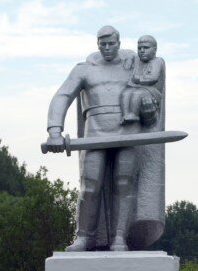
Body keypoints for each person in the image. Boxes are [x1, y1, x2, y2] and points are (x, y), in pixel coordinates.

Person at [45, 26, 166, 252]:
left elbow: (152, 91)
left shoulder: (133, 66)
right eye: (103, 43)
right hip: (95, 133)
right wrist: (55, 130)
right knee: (89, 186)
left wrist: (149, 105)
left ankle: (120, 237)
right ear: (97, 44)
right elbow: (62, 95)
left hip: (128, 131)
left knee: (124, 182)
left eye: (111, 43)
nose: (107, 48)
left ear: (119, 43)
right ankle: (84, 237)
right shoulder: (84, 70)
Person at [121, 36, 164, 125]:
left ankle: (134, 114)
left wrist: (139, 79)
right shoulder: (138, 59)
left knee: (137, 94)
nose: (142, 50)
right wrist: (129, 59)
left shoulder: (157, 61)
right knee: (125, 94)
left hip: (152, 91)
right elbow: (131, 56)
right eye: (139, 48)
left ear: (155, 49)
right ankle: (126, 115)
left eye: (146, 48)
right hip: (138, 87)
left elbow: (153, 77)